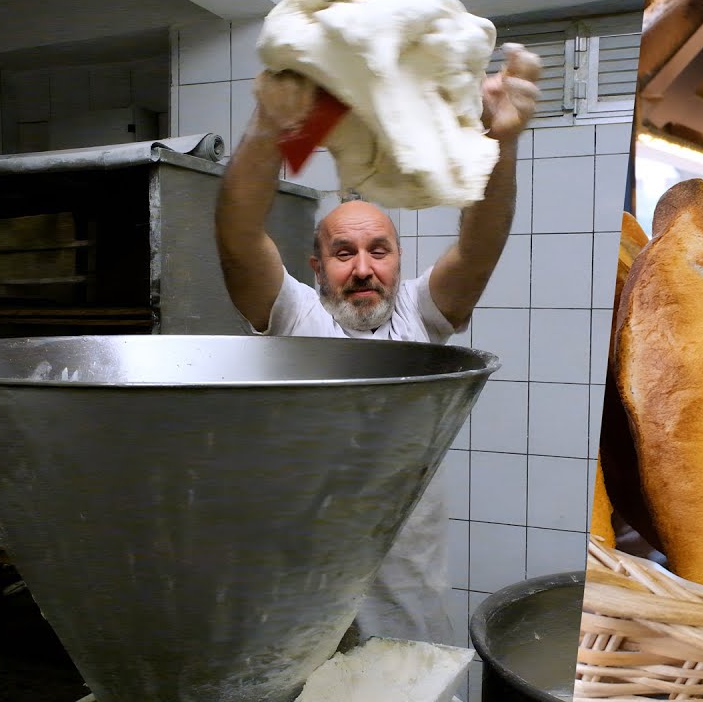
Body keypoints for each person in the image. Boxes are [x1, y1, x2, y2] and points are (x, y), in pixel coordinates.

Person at [214, 43, 541, 647]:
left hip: (405, 595)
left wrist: (501, 144)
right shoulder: (293, 313)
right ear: (316, 265)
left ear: (398, 260)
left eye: (378, 250)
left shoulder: (422, 314)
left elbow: (479, 247)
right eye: (344, 253)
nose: (363, 269)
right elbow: (238, 240)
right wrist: (268, 129)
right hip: (296, 591)